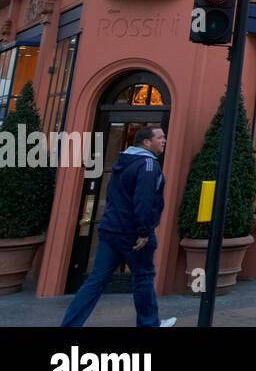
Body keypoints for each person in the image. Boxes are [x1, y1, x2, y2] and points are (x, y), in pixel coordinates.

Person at [61, 127, 176, 328]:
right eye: (160, 137)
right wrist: (144, 231)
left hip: (110, 229)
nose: (164, 140)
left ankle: (70, 324)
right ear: (146, 143)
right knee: (143, 278)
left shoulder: (122, 161)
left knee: (95, 282)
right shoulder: (148, 164)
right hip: (132, 233)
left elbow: (115, 196)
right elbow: (144, 199)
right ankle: (149, 324)